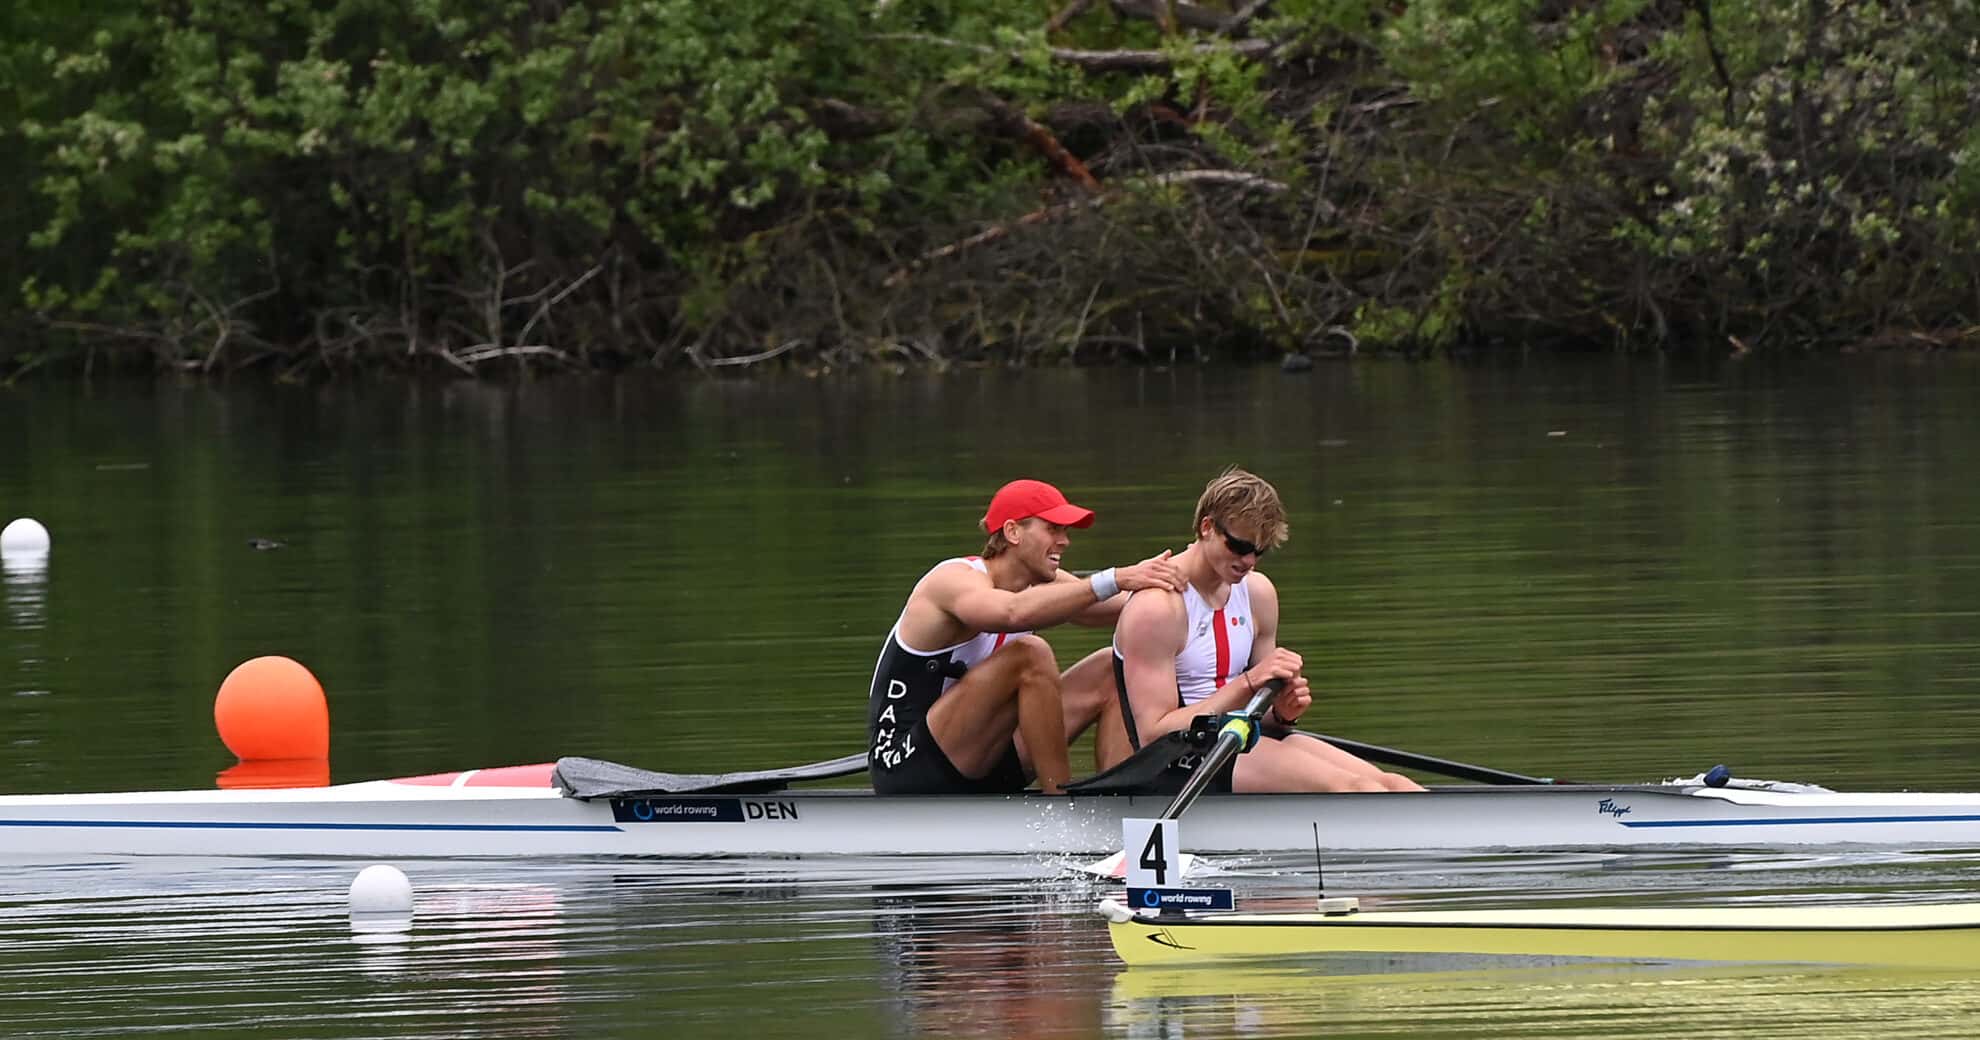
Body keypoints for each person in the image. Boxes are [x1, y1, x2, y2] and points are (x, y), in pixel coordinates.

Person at [1104, 468, 1423, 793]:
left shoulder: (1258, 594)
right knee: (1353, 788)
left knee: (1393, 785)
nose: (1249, 561)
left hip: (1241, 738)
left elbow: (1260, 712)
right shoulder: (1157, 608)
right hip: (1182, 758)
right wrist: (1249, 682)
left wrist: (1283, 714)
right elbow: (1154, 734)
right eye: (1240, 547)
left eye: (1259, 551)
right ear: (1207, 528)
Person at [867, 479, 1185, 796]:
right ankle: (1060, 808)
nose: (1064, 542)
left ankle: (1122, 801)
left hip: (989, 756)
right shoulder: (953, 580)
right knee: (1030, 654)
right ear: (1013, 532)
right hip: (908, 766)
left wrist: (1200, 574)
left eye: (1066, 532)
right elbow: (1011, 612)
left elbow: (1122, 608)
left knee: (1111, 666)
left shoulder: (1041, 582)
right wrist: (1115, 577)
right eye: (1053, 529)